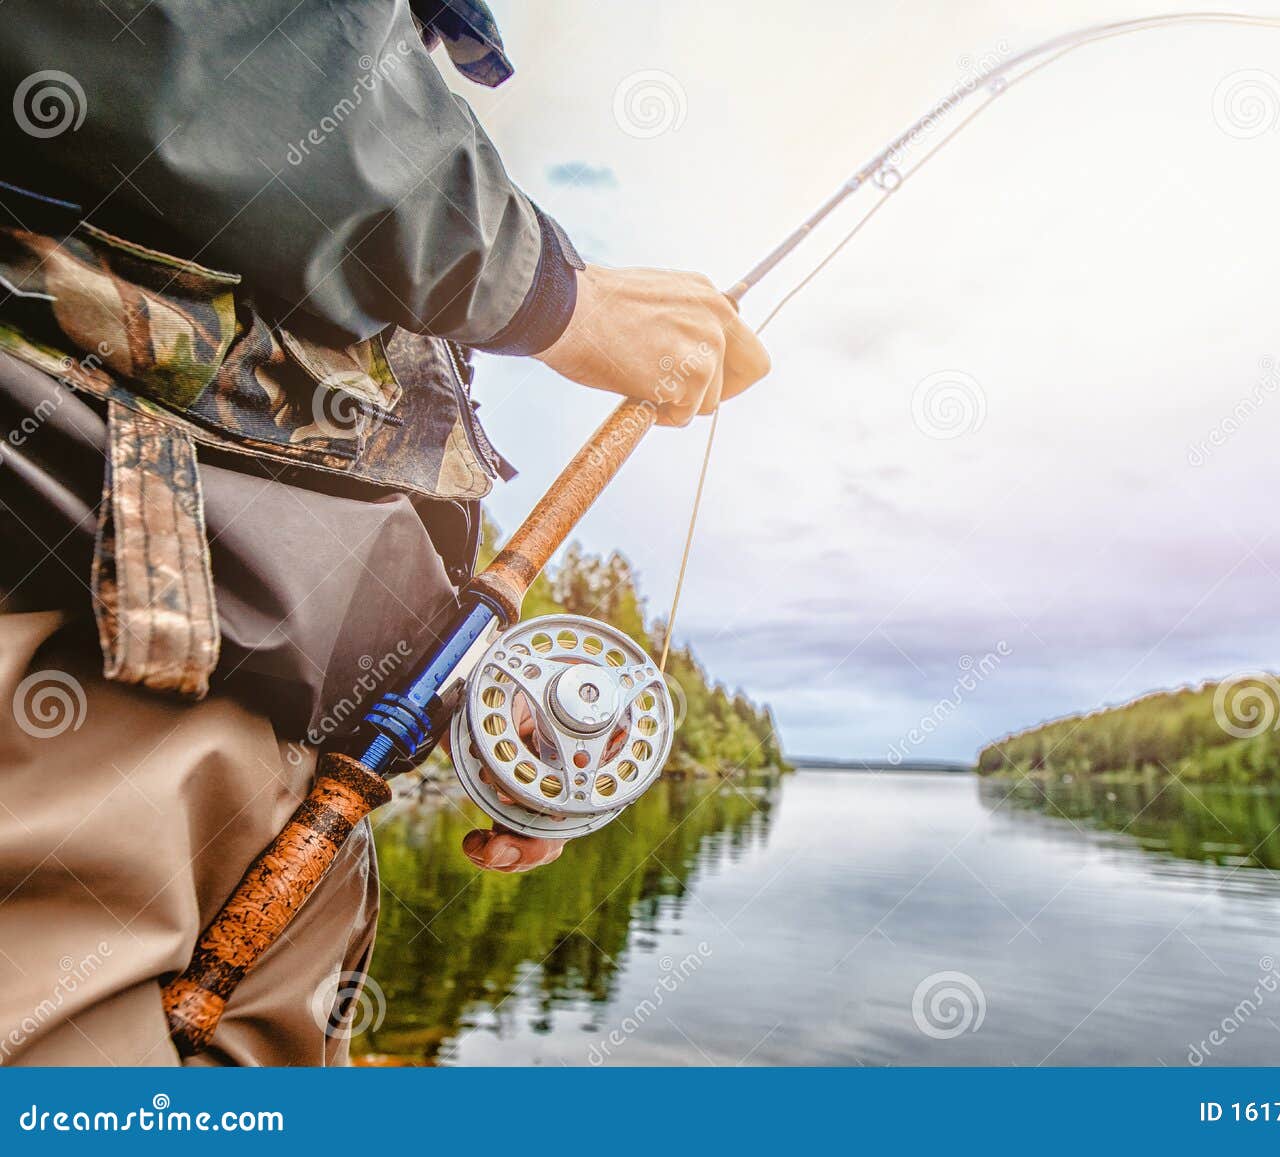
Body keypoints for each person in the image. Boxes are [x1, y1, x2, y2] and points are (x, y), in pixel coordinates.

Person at [0, 0, 769, 1065]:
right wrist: (557, 299)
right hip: (78, 668)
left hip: (288, 792)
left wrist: (494, 720)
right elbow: (212, 44)